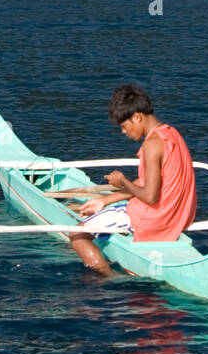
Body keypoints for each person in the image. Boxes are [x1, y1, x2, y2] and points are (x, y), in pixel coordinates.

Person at [68, 83, 197, 274]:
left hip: (153, 219)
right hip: (179, 216)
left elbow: (150, 196)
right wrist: (105, 200)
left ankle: (108, 278)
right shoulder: (172, 134)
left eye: (124, 126)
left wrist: (122, 181)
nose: (124, 132)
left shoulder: (151, 145)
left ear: (137, 117)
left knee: (77, 233)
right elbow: (148, 183)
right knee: (110, 209)